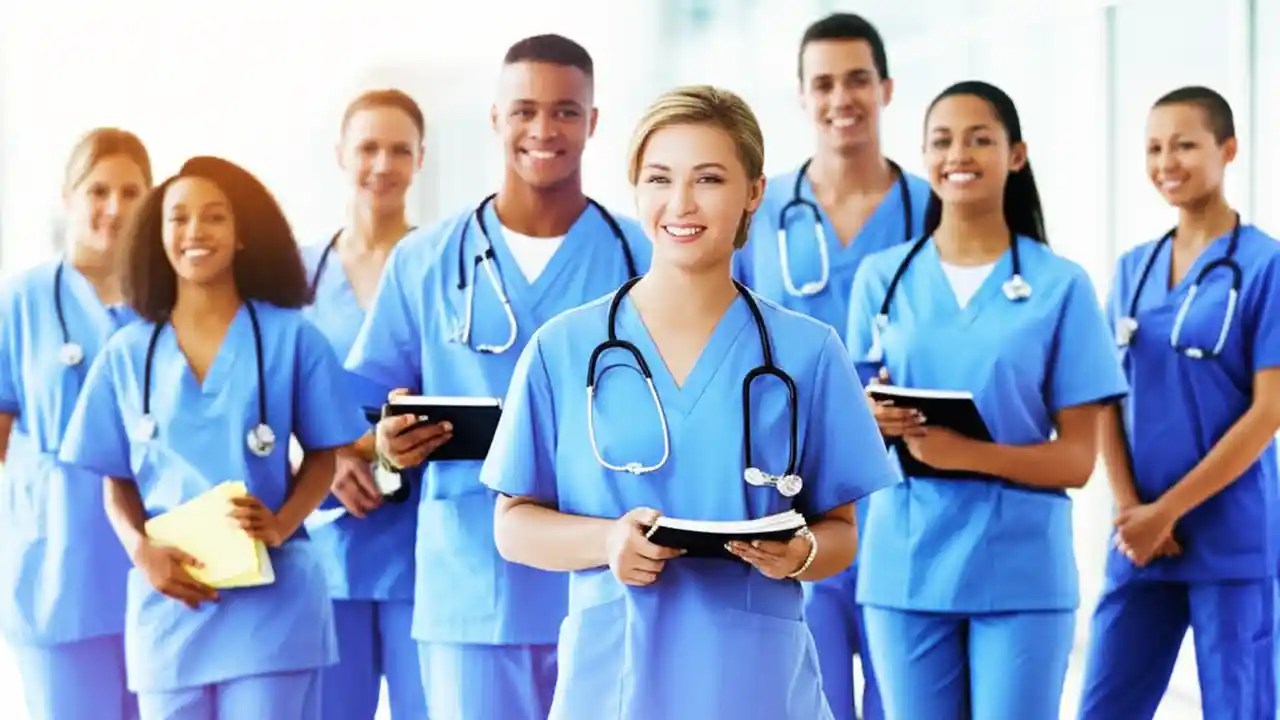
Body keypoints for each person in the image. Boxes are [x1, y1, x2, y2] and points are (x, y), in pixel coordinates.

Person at [479, 83, 899, 720]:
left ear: (753, 192)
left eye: (708, 179)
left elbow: (840, 531)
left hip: (756, 683)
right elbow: (512, 526)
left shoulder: (808, 352)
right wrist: (608, 542)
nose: (680, 203)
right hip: (612, 683)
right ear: (636, 188)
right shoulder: (562, 348)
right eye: (658, 179)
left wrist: (801, 554)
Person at [346, 34, 651, 719]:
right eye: (524, 110)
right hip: (470, 582)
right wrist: (387, 447)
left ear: (594, 121)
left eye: (567, 112)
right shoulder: (424, 261)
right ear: (495, 118)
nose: (544, 130)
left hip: (605, 576)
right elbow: (363, 423)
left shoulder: (641, 256)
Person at [845, 81, 1127, 719]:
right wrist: (870, 418)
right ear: (923, 154)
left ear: (1016, 155)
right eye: (942, 140)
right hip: (906, 565)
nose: (958, 153)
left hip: (1021, 569)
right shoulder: (880, 280)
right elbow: (845, 429)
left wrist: (966, 453)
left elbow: (1078, 462)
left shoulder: (1061, 286)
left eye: (980, 138)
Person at [57, 156, 367, 719]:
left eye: (214, 217)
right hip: (171, 607)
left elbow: (327, 452)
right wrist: (140, 550)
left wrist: (282, 522)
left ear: (241, 232)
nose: (195, 231)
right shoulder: (128, 354)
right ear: (159, 234)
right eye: (178, 218)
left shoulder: (291, 335)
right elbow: (115, 479)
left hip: (272, 612)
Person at [733, 14, 929, 719]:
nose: (840, 98)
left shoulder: (929, 208)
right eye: (823, 83)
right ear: (801, 96)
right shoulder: (761, 205)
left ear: (886, 88)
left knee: (903, 696)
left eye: (856, 80)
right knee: (803, 694)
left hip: (904, 491)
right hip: (790, 487)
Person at [1076, 86, 1280, 720]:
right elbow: (1104, 396)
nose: (1167, 161)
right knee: (1105, 705)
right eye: (1154, 147)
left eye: (1186, 144)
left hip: (1230, 535)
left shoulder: (1265, 264)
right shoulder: (1134, 268)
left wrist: (1167, 510)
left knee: (1237, 708)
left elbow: (1269, 412)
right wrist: (1136, 509)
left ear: (1229, 149)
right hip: (1141, 538)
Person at [0, 128, 151, 720]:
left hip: (155, 557)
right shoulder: (24, 300)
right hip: (58, 561)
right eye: (99, 190)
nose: (114, 207)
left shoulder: (166, 301)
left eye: (131, 192)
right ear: (69, 196)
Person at [302, 88, 428, 720]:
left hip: (418, 534)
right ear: (340, 155)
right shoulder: (299, 273)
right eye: (368, 148)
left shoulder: (441, 266)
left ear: (421, 159)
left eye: (399, 149)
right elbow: (269, 398)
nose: (383, 164)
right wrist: (328, 460)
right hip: (328, 529)